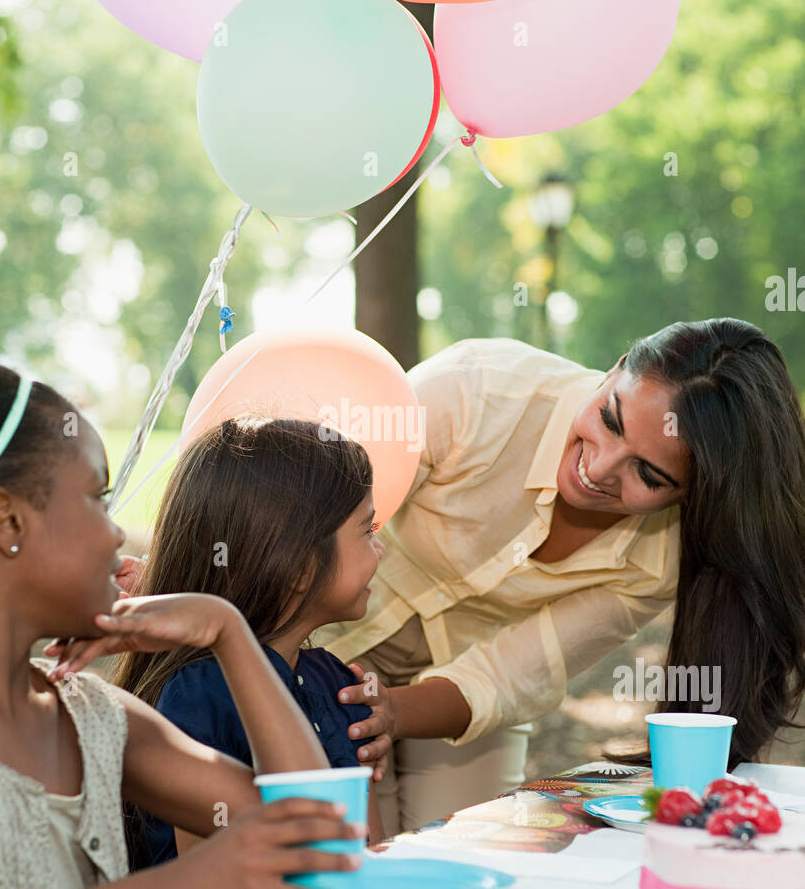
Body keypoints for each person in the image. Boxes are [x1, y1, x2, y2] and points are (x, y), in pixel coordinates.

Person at [0, 360, 366, 889]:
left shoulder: (92, 717)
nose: (117, 535)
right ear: (5, 520)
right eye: (96, 498)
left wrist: (229, 632)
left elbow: (319, 844)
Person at [323, 320, 805, 836]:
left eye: (648, 474)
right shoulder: (475, 390)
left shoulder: (659, 561)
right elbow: (324, 534)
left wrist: (391, 712)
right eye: (611, 420)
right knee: (352, 843)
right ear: (615, 370)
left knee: (463, 846)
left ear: (691, 495)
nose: (599, 468)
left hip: (462, 698)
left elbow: (510, 674)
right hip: (324, 629)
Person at [111, 417, 387, 860]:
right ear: (299, 568)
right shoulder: (201, 697)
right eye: (367, 530)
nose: (381, 547)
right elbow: (210, 879)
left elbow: (369, 849)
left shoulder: (337, 681)